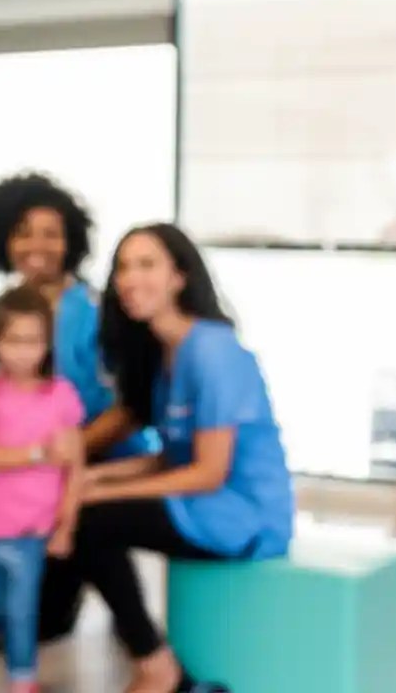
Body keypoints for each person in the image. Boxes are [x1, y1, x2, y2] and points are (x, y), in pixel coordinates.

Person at [71, 222, 294, 692]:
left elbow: (208, 471)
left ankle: (156, 667)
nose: (129, 279)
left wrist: (103, 492)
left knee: (92, 523)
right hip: (203, 499)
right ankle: (170, 672)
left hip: (242, 516)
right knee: (86, 507)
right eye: (122, 267)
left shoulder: (213, 351)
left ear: (180, 275)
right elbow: (169, 455)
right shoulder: (166, 354)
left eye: (146, 264)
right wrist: (95, 479)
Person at [0, 170, 158, 642]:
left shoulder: (98, 311)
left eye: (52, 234)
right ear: (2, 242)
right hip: (26, 464)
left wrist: (64, 455)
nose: (38, 245)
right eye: (23, 233)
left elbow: (131, 406)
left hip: (102, 459)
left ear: (71, 241)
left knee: (44, 621)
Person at [0, 286, 85, 693]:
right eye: (13, 340)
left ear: (47, 343)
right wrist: (38, 453)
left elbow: (75, 468)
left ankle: (23, 680)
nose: (23, 351)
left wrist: (66, 526)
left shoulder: (62, 395)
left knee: (22, 611)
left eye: (33, 340)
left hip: (33, 530)